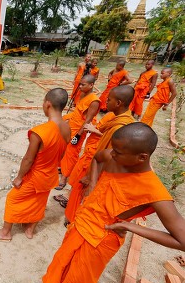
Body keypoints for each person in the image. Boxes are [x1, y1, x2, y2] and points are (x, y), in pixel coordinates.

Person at [43, 123, 185, 283]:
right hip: (81, 222)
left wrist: (129, 226)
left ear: (142, 157)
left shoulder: (154, 190)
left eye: (118, 152)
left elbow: (182, 240)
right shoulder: (114, 157)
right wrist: (92, 185)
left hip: (101, 239)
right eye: (113, 149)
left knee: (80, 280)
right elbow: (97, 157)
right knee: (64, 263)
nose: (112, 154)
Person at [0, 88, 71, 241]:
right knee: (39, 201)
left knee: (13, 198)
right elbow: (62, 155)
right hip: (50, 175)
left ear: (48, 104)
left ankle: (5, 233)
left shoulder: (40, 132)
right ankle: (30, 229)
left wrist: (19, 177)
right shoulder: (67, 128)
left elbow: (28, 160)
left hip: (36, 175)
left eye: (43, 102)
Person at [57, 85, 135, 224]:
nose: (105, 102)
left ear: (118, 103)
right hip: (92, 155)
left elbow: (112, 156)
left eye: (109, 99)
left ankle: (73, 218)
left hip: (95, 165)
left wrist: (91, 176)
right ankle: (72, 214)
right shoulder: (117, 118)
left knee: (81, 189)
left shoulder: (120, 126)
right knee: (76, 187)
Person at [55, 75, 100, 191]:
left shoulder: (94, 101)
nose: (79, 86)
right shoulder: (83, 94)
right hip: (72, 125)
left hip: (79, 130)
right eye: (80, 84)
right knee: (64, 148)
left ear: (91, 85)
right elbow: (78, 111)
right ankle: (62, 168)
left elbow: (87, 120)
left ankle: (64, 178)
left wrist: (78, 135)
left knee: (72, 152)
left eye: (83, 84)